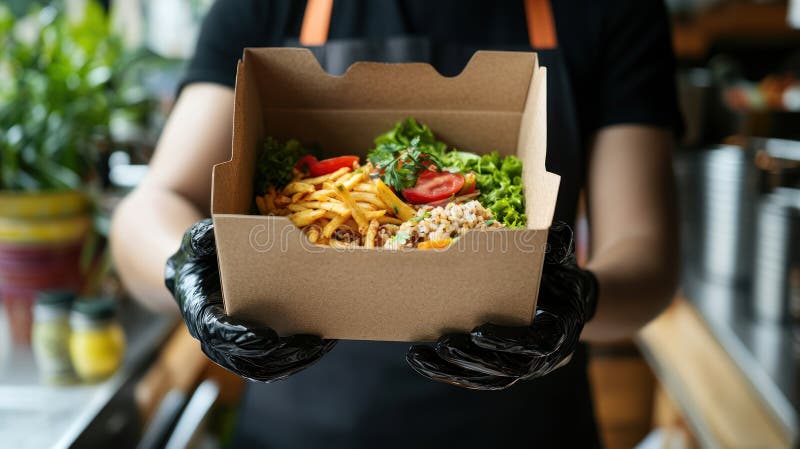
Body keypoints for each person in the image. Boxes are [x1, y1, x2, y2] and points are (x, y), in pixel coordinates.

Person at [111, 0, 681, 447]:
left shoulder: (611, 8)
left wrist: (575, 299)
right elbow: (152, 204)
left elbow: (647, 256)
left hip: (526, 425)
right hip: (300, 432)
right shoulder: (269, 3)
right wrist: (184, 271)